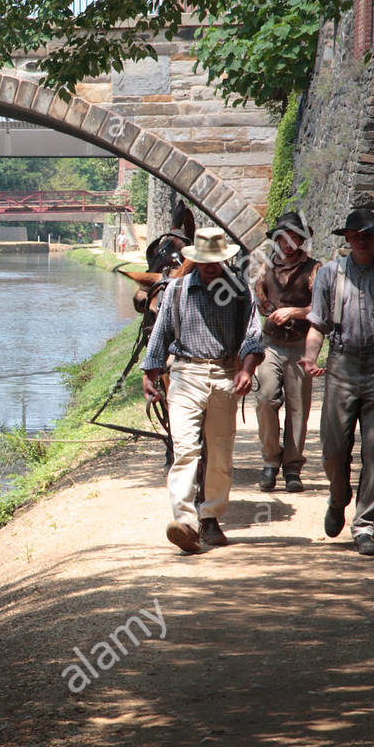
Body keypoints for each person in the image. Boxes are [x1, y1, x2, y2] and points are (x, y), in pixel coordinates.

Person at [298, 208, 374, 557]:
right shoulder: (328, 274)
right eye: (357, 235)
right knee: (333, 447)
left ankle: (365, 524)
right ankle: (338, 497)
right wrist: (310, 358)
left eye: (369, 236)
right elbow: (317, 324)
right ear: (348, 239)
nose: (363, 240)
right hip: (341, 363)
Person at [142, 227, 265, 554]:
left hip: (225, 374)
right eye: (205, 262)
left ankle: (210, 516)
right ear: (194, 260)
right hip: (184, 374)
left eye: (217, 261)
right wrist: (150, 375)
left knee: (221, 453)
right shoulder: (177, 290)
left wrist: (247, 370)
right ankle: (185, 522)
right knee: (185, 449)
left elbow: (253, 336)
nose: (211, 267)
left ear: (225, 260)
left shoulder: (239, 291)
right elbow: (161, 334)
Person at [253, 211, 319, 494]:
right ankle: (270, 460)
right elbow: (259, 300)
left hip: (301, 345)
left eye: (294, 237)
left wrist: (295, 312)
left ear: (301, 240)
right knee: (266, 397)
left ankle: (293, 468)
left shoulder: (315, 269)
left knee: (298, 408)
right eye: (283, 237)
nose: (288, 242)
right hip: (271, 344)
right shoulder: (264, 268)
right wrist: (267, 312)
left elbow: (322, 309)